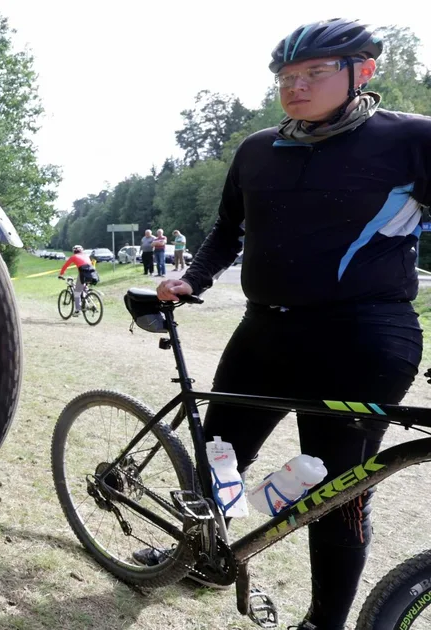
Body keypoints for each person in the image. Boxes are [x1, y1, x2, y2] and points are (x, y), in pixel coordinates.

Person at [151, 20, 427, 630]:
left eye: (315, 73)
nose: (295, 86)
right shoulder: (257, 148)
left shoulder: (411, 139)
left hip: (363, 338)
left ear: (363, 71)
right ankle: (197, 557)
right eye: (285, 76)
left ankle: (323, 623)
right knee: (218, 456)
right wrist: (193, 278)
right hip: (265, 331)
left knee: (336, 492)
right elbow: (227, 228)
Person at [57, 245, 98, 315]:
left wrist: (61, 274)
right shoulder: (86, 255)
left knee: (77, 292)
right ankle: (88, 298)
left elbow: (65, 266)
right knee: (83, 287)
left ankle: (78, 310)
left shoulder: (74, 257)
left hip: (83, 275)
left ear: (74, 251)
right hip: (92, 274)